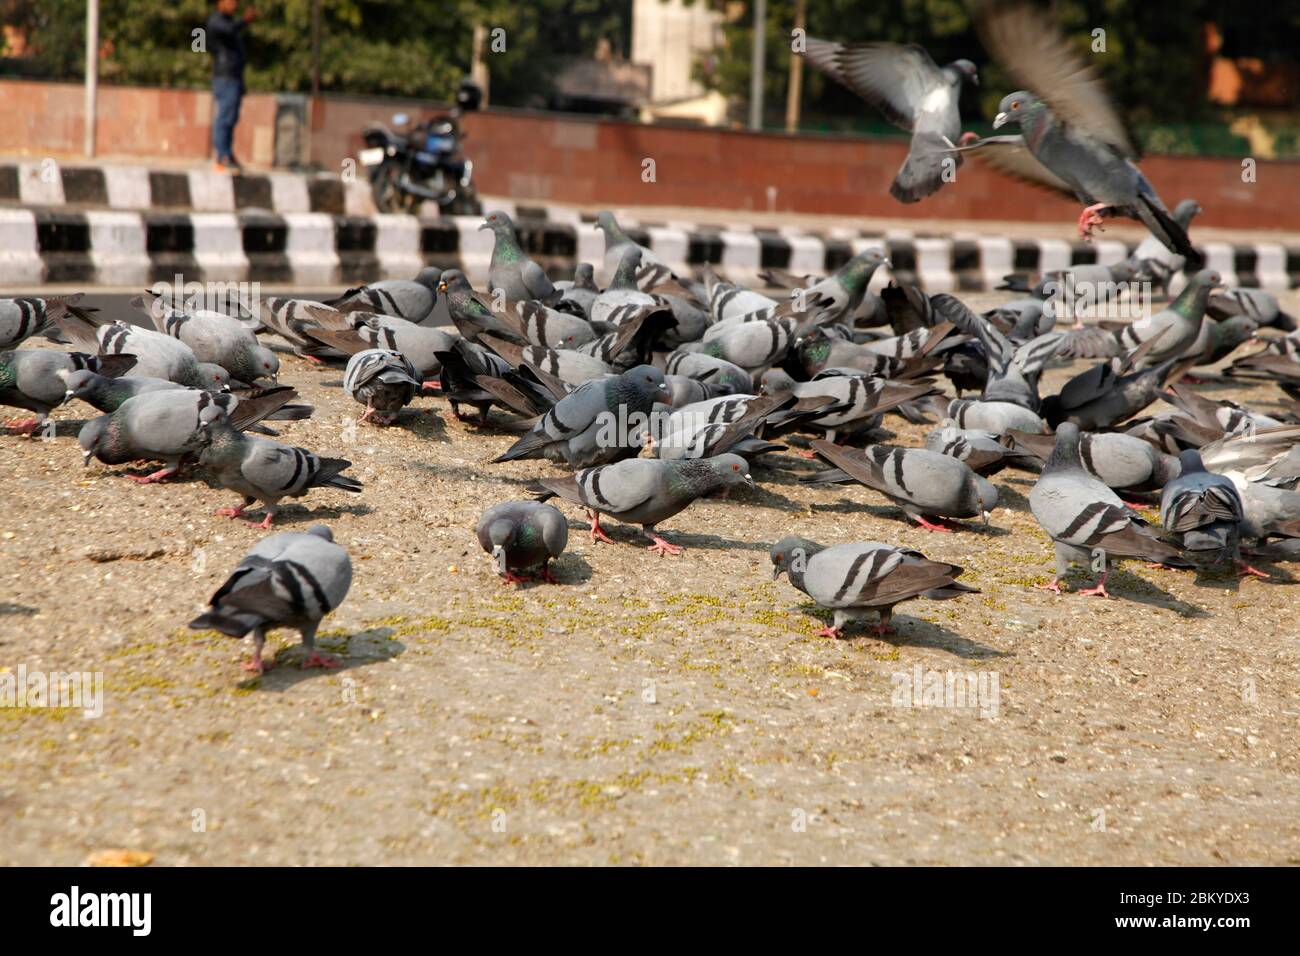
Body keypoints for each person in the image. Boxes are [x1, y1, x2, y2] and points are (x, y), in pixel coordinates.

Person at [206, 0, 256, 173]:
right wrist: (245, 21)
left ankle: (227, 153)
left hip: (234, 77)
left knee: (232, 117)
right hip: (225, 77)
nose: (234, 4)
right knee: (225, 117)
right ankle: (222, 156)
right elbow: (228, 30)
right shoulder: (216, 21)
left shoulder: (229, 23)